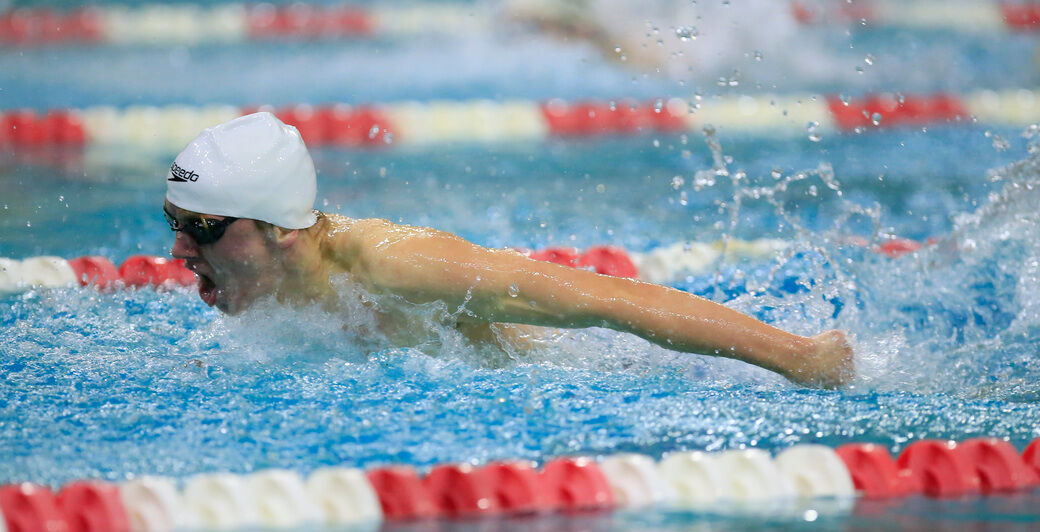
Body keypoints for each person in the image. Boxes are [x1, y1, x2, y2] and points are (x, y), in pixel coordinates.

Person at [164, 112, 854, 388]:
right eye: (173, 221)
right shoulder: (266, 283)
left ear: (280, 228)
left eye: (201, 229)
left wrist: (797, 358)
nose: (178, 250)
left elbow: (611, 300)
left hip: (587, 376)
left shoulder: (394, 264)